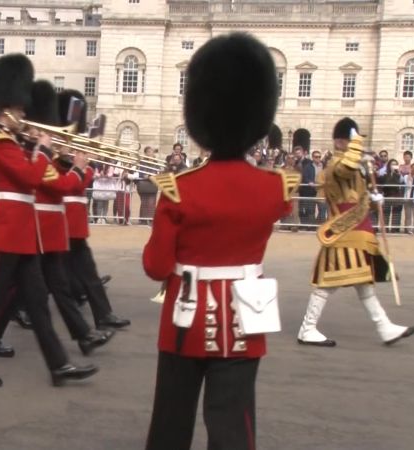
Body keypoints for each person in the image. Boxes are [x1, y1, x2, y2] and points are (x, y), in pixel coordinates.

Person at [144, 33, 295, 450]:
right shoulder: (276, 188)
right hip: (246, 318)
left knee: (170, 425)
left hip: (184, 321)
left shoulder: (179, 189)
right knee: (233, 426)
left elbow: (156, 266)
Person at [0, 54, 97, 387]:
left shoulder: (10, 140)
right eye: (18, 111)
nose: (22, 116)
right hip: (8, 229)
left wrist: (37, 146)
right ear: (5, 109)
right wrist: (43, 150)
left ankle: (59, 364)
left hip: (20, 230)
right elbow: (31, 177)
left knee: (38, 302)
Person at [0, 79, 114, 360]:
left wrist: (68, 159)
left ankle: (82, 337)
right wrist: (76, 167)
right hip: (37, 225)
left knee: (53, 286)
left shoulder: (41, 152)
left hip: (50, 226)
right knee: (19, 290)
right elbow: (57, 185)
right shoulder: (26, 151)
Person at [297, 117, 414, 348]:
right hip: (344, 233)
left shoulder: (355, 168)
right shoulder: (336, 166)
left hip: (357, 232)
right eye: (349, 141)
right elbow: (346, 169)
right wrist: (356, 145)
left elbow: (356, 194)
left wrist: (373, 200)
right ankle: (308, 328)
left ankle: (384, 327)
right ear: (341, 142)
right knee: (327, 283)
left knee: (364, 284)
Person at [58, 89, 131, 330]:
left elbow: (83, 177)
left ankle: (103, 314)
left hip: (75, 218)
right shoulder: (56, 151)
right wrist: (81, 166)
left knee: (85, 270)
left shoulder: (69, 146)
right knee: (45, 273)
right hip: (60, 218)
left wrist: (85, 162)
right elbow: (70, 182)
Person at [136, 146, 159, 224]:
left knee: (152, 202)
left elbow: (157, 173)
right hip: (144, 185)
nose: (150, 153)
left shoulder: (156, 163)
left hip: (153, 185)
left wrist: (151, 176)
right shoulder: (142, 162)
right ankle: (143, 219)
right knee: (144, 202)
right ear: (145, 153)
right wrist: (149, 176)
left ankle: (151, 218)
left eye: (151, 151)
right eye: (148, 152)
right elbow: (141, 173)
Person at [380, 159, 404, 233]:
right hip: (387, 195)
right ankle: (385, 228)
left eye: (395, 164)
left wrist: (398, 173)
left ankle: (395, 229)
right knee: (386, 212)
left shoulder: (399, 174)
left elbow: (402, 182)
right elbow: (384, 183)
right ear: (389, 165)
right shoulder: (384, 174)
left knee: (396, 213)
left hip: (396, 195)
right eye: (392, 164)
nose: (393, 166)